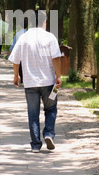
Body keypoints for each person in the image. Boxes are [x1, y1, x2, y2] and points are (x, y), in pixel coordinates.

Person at [8, 10, 62, 153]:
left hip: (30, 83)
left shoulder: (24, 38)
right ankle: (49, 133)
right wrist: (58, 76)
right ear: (45, 21)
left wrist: (16, 76)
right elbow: (56, 58)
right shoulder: (50, 37)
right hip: (49, 83)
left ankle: (36, 145)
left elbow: (15, 59)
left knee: (33, 114)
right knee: (51, 109)